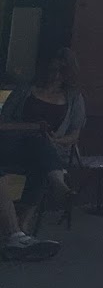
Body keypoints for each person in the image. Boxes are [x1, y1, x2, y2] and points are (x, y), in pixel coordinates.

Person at [0, 49, 83, 261]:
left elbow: (74, 135)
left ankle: (19, 232)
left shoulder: (73, 98)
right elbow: (4, 123)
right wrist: (30, 127)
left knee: (41, 152)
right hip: (14, 145)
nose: (55, 75)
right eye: (52, 69)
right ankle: (59, 186)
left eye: (61, 71)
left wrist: (54, 140)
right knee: (38, 143)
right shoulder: (25, 90)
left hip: (49, 150)